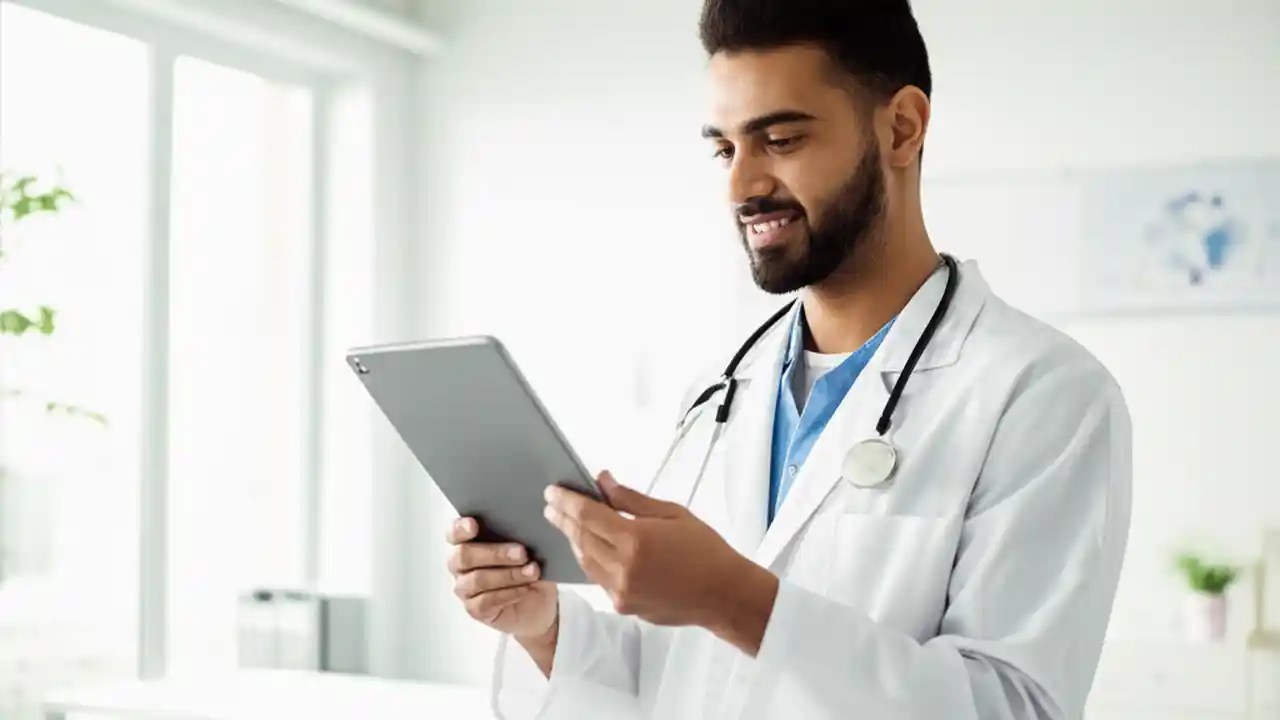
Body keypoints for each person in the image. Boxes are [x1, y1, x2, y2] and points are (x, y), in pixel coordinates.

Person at [445, 1, 1132, 718]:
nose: (741, 187)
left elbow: (1014, 707)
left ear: (902, 128)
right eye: (725, 149)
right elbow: (683, 679)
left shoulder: (1042, 394)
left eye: (779, 139)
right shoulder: (722, 393)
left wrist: (732, 596)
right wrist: (543, 627)